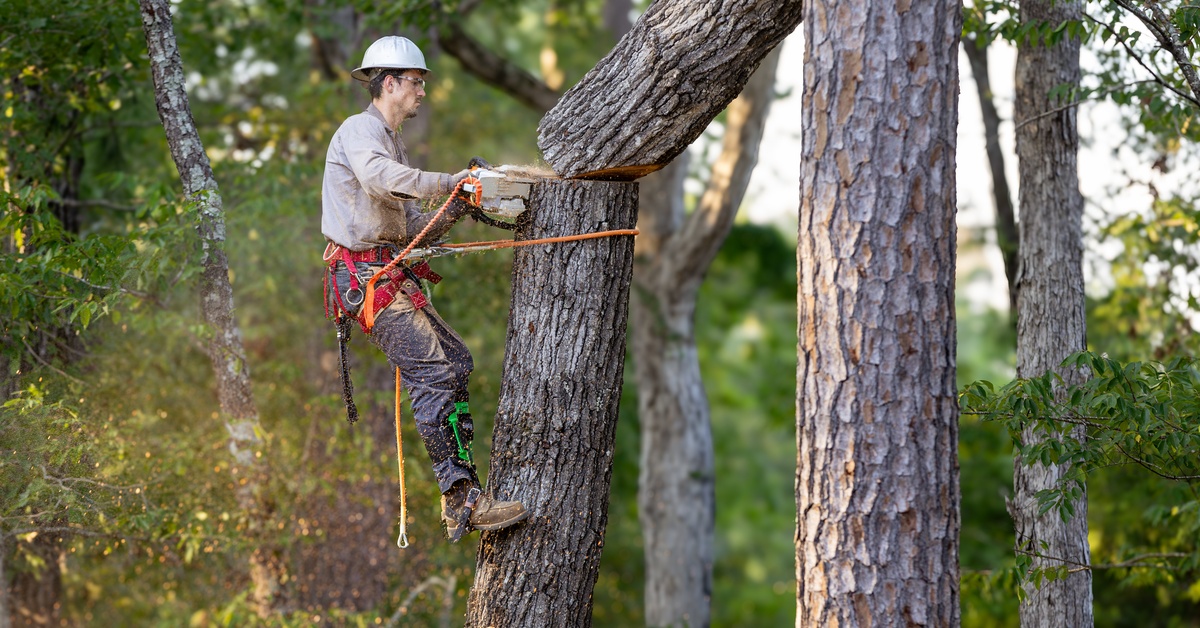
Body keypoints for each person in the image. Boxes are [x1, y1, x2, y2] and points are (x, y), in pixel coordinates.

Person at [321, 35, 528, 542]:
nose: (421, 93)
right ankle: (462, 499)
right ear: (389, 83)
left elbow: (415, 225)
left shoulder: (391, 143)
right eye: (416, 83)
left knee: (455, 361)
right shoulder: (359, 132)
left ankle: (462, 493)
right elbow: (377, 179)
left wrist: (462, 203)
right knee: (434, 371)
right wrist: (447, 181)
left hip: (389, 273)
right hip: (366, 278)